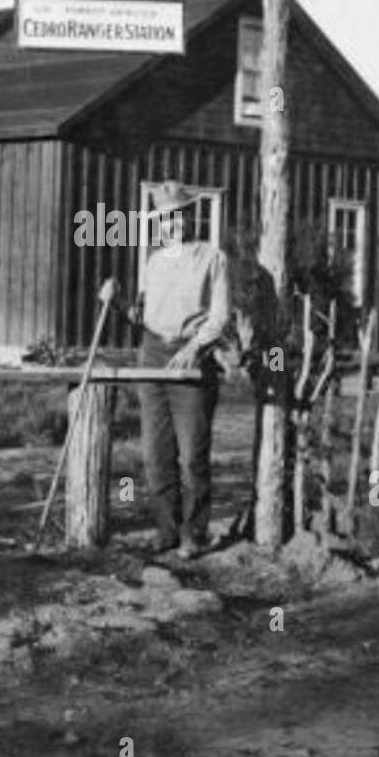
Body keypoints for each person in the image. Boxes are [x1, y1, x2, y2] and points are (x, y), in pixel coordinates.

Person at [103, 179, 231, 559]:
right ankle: (167, 530)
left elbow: (221, 316)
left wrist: (195, 347)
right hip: (153, 356)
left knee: (192, 455)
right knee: (156, 455)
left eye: (179, 216)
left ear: (191, 216)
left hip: (192, 361)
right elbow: (141, 317)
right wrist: (116, 301)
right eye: (165, 218)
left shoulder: (212, 258)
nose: (172, 224)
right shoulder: (154, 262)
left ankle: (195, 533)